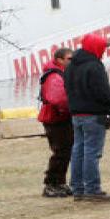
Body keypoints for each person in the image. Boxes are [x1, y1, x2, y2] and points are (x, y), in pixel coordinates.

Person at [65, 34, 110, 203]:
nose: (103, 51)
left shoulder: (71, 66)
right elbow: (103, 92)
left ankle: (78, 189)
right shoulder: (94, 66)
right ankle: (92, 189)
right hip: (94, 115)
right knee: (91, 152)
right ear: (95, 48)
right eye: (102, 48)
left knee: (78, 151)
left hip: (76, 114)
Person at [38, 48, 74, 198]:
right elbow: (58, 98)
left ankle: (59, 182)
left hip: (59, 117)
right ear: (59, 60)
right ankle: (51, 184)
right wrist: (73, 107)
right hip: (56, 119)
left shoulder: (59, 74)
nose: (72, 61)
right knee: (60, 151)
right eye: (69, 59)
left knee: (65, 151)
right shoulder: (54, 76)